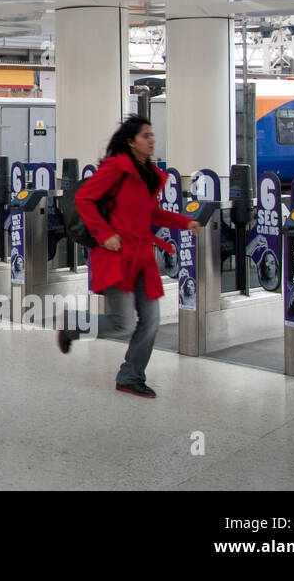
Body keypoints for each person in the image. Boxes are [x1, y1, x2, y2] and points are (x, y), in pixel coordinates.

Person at [56, 116, 197, 398]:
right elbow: (85, 201)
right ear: (131, 141)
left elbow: (150, 214)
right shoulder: (115, 169)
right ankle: (73, 325)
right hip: (115, 254)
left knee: (151, 320)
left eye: (152, 135)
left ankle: (131, 376)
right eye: (146, 136)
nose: (151, 140)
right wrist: (104, 233)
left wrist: (184, 222)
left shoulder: (148, 174)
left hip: (142, 256)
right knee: (123, 322)